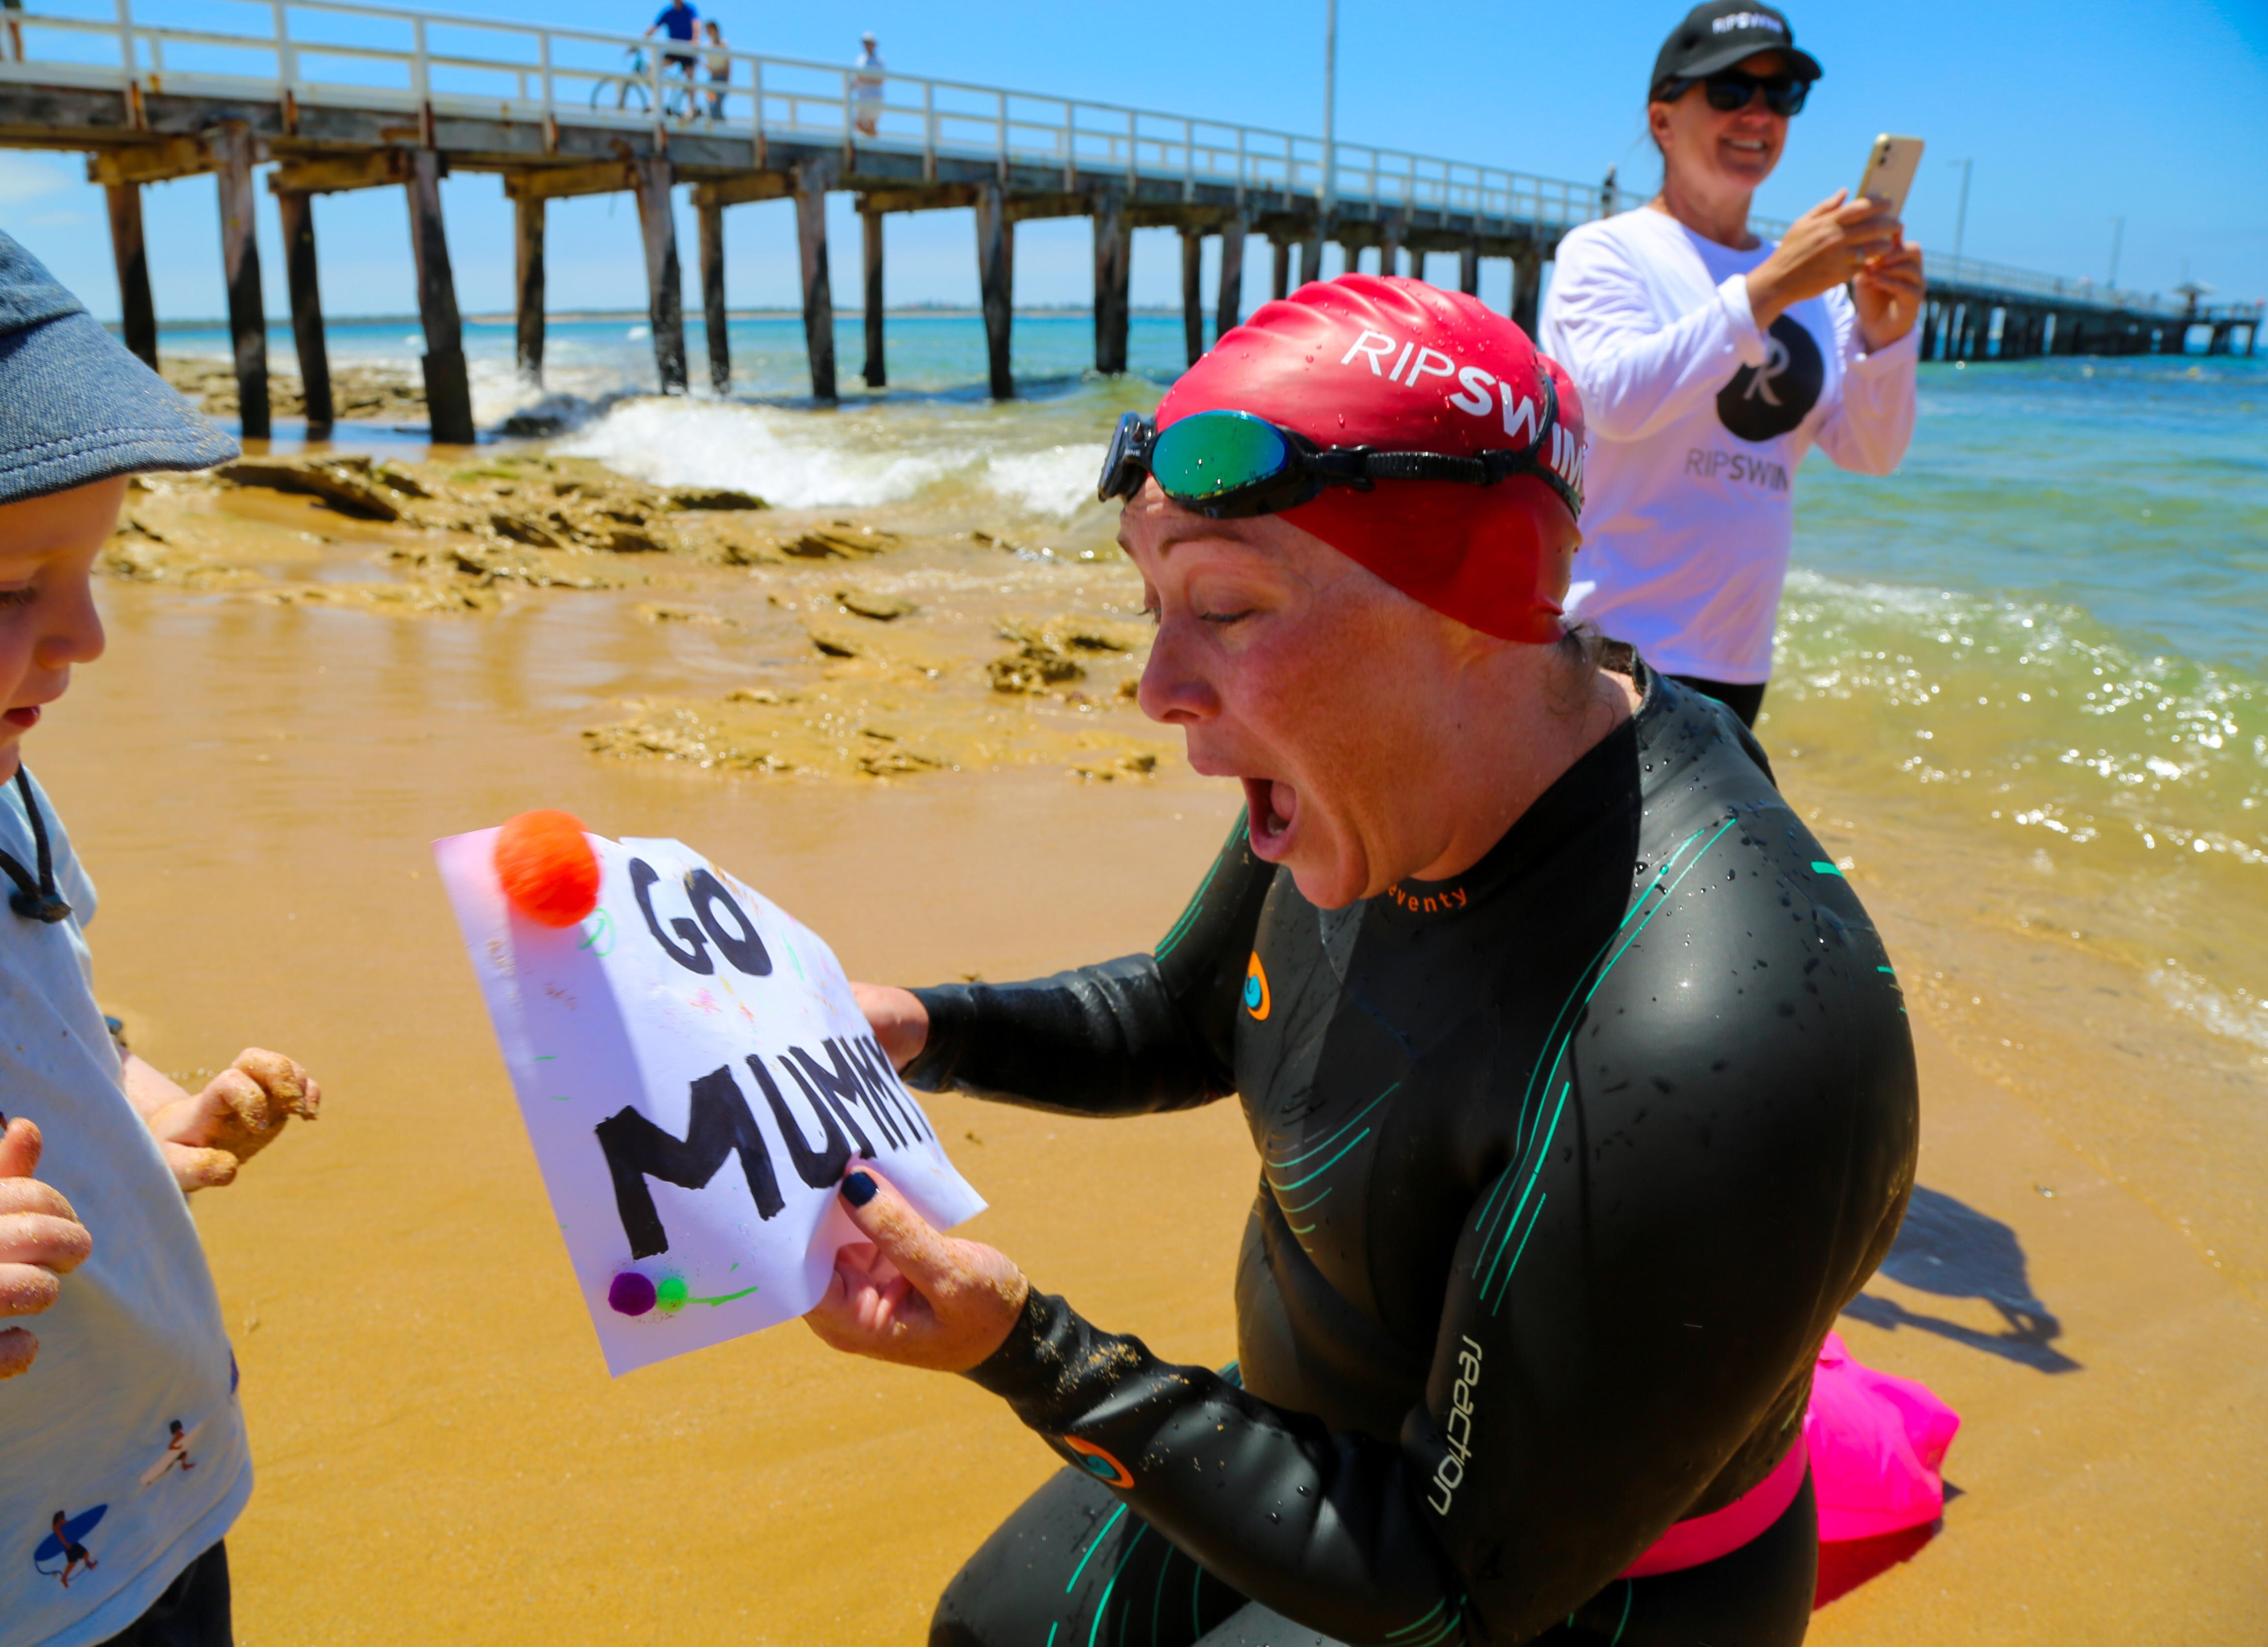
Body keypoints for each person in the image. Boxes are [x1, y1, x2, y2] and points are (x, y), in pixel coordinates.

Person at [806, 277, 1926, 1647]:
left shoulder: (1717, 1033)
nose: (1155, 684)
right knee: (991, 1632)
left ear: (1482, 598)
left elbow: (1457, 1579)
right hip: (1325, 1437)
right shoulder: (1374, 781)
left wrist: (1026, 1345)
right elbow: (1184, 1012)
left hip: (1555, 1588)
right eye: (1152, 596)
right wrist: (924, 1024)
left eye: (1223, 606)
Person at [0, 138, 324, 1647]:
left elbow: (41, 1010)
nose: (83, 636)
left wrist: (138, 1102)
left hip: (148, 1506)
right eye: (7, 587)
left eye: (94, 568)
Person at [1538, 1, 1922, 729]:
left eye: (1781, 96)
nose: (1758, 113)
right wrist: (1771, 287)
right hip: (1613, 646)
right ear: (1662, 121)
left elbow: (1872, 451)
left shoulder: (1815, 287)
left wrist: (1887, 341)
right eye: (1728, 91)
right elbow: (1612, 402)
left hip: (1739, 660)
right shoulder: (1607, 250)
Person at [645, 0, 699, 117]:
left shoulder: (689, 9)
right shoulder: (668, 12)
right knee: (653, 67)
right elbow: (654, 28)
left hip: (687, 50)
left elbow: (696, 24)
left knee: (690, 76)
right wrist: (641, 41)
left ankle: (692, 108)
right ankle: (656, 103)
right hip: (673, 50)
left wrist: (695, 40)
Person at [852, 32, 885, 138]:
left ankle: (875, 145)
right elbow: (857, 77)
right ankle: (874, 142)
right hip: (862, 97)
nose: (867, 45)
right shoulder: (860, 59)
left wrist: (865, 79)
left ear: (874, 45)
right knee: (858, 124)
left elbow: (881, 79)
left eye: (869, 43)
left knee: (871, 124)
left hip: (875, 97)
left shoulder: (879, 61)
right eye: (865, 43)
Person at [703, 19, 731, 122]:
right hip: (712, 78)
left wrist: (727, 80)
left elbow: (728, 65)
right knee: (710, 101)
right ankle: (715, 122)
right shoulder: (708, 46)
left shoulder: (724, 45)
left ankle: (720, 123)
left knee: (718, 104)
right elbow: (710, 65)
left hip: (722, 77)